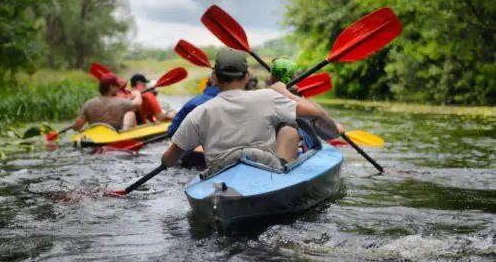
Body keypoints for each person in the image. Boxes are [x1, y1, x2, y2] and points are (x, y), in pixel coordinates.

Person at [161, 48, 342, 174]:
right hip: (265, 167)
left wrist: (166, 160)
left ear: (214, 77)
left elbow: (168, 160)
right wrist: (286, 93)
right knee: (289, 131)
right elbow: (315, 112)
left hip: (219, 170)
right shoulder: (267, 97)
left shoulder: (199, 112)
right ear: (247, 77)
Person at [267, 57, 344, 150]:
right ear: (293, 78)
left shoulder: (261, 96)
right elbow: (332, 134)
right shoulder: (298, 104)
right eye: (295, 75)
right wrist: (337, 129)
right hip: (296, 148)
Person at [73, 74, 142, 132]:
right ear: (111, 87)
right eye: (117, 86)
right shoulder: (121, 102)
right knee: (130, 114)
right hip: (114, 138)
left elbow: (76, 127)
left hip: (95, 139)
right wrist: (137, 93)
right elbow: (138, 104)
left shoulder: (88, 104)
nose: (118, 88)